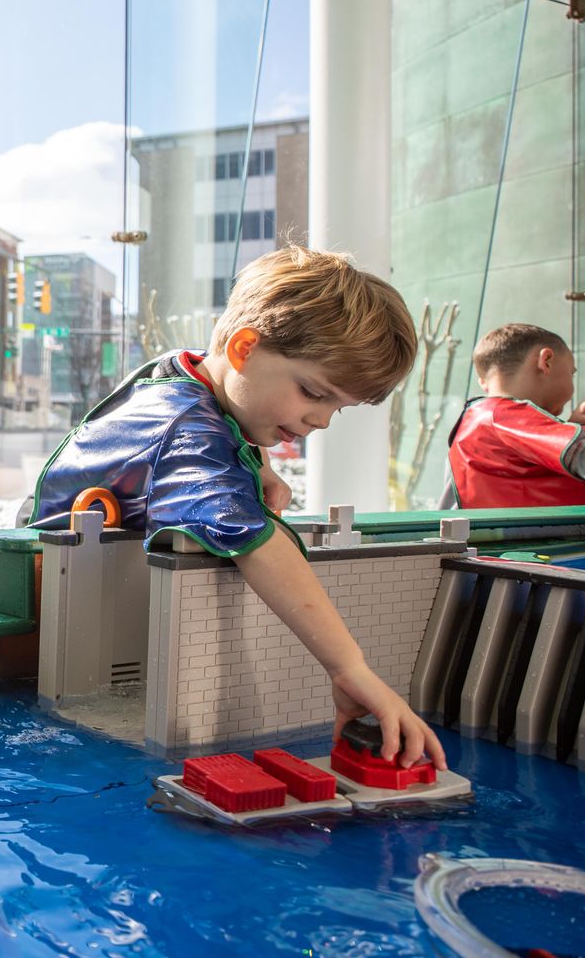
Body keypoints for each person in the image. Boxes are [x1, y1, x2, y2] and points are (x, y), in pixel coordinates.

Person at [31, 246, 445, 769]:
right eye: (313, 393)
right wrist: (350, 669)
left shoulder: (192, 376)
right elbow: (256, 541)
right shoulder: (187, 434)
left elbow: (222, 397)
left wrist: (259, 462)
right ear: (244, 346)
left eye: (338, 407)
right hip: (50, 611)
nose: (321, 421)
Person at [445, 323, 585, 508]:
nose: (572, 386)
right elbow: (582, 456)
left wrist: (572, 428)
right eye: (572, 373)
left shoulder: (481, 420)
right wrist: (577, 440)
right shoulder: (499, 415)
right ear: (547, 361)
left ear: (483, 382)